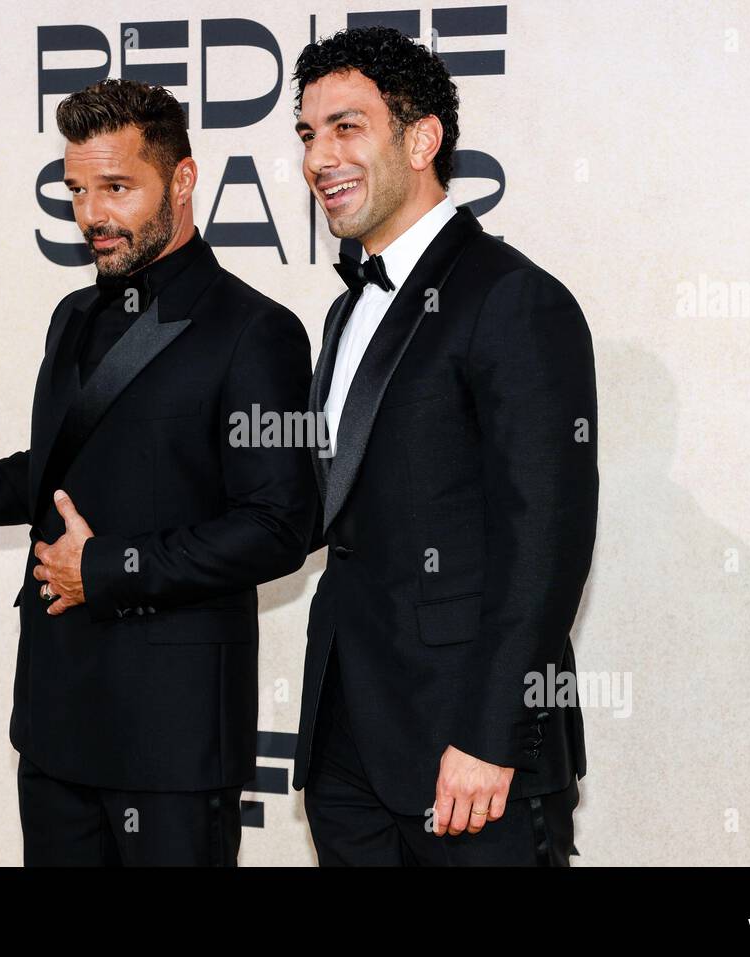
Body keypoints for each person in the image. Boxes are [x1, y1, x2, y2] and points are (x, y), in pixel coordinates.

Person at [0, 78, 316, 866]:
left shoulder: (254, 331)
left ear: (183, 180)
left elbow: (277, 525)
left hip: (173, 736)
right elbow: (54, 478)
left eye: (117, 188)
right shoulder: (74, 317)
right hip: (59, 715)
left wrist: (108, 566)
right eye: (77, 190)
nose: (91, 214)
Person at [290, 26, 599, 865]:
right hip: (347, 744)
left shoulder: (514, 300)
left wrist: (490, 733)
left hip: (470, 751)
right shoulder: (346, 309)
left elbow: (548, 537)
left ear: (421, 138)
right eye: (308, 134)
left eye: (347, 127)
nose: (321, 158)